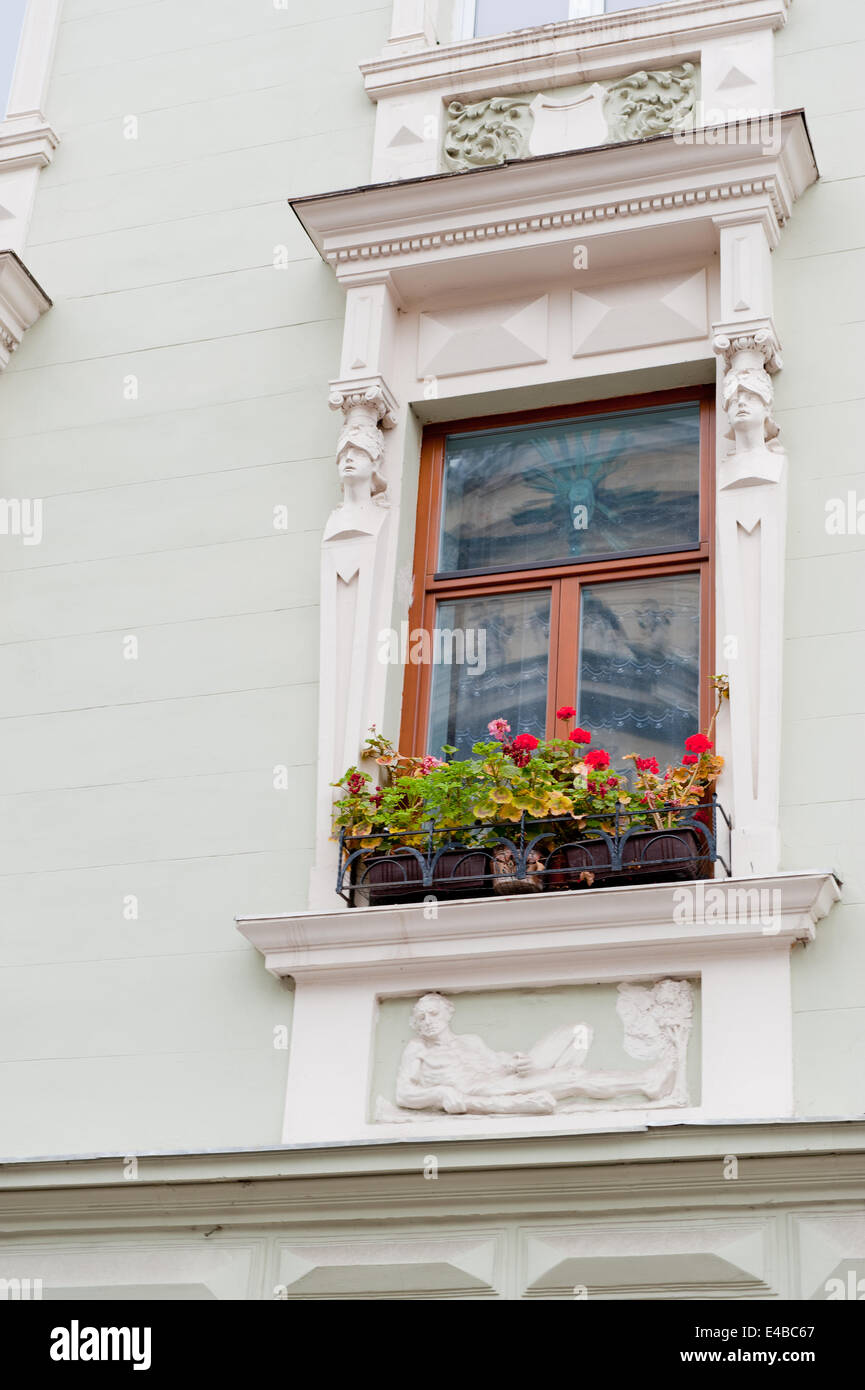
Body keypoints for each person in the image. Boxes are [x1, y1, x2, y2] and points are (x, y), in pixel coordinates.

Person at [394, 993, 671, 1117]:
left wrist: (516, 1061)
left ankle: (558, 1080)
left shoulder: (470, 1040)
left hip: (508, 1076)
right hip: (489, 1089)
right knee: (573, 1077)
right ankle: (645, 1082)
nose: (427, 1021)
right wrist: (439, 1093)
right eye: (421, 1018)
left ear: (447, 1014)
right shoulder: (419, 1048)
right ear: (416, 1025)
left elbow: (494, 1061)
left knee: (578, 1031)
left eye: (433, 1014)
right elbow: (404, 1093)